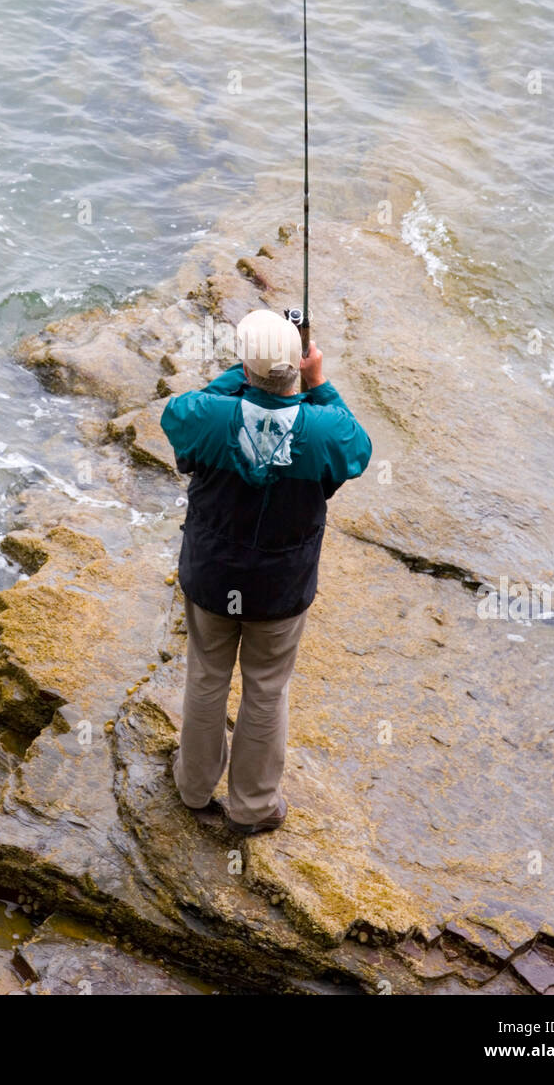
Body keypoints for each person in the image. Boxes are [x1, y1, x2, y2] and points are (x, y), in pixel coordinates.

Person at [160, 308, 372, 836]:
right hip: (279, 588)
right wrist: (316, 382)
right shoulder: (323, 432)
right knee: (266, 689)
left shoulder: (210, 418)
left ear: (247, 368)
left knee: (207, 676)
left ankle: (192, 786)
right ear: (297, 367)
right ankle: (252, 806)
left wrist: (248, 371)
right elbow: (358, 448)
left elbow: (182, 413)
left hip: (213, 578)